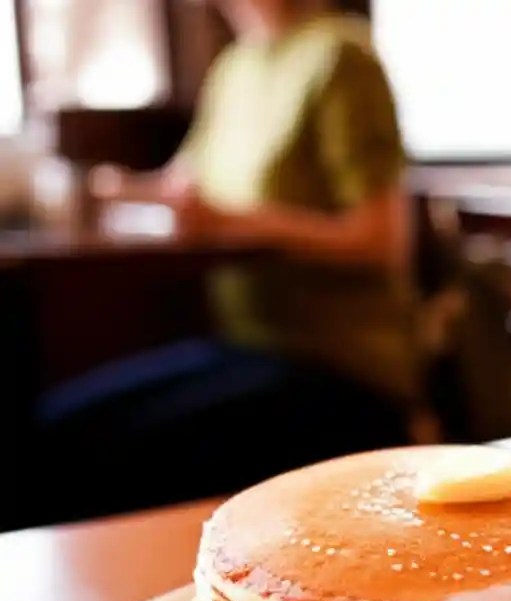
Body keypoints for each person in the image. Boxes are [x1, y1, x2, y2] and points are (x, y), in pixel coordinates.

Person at [36, 0, 415, 520]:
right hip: (245, 342)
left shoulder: (340, 57)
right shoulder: (235, 67)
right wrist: (112, 189)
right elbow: (183, 189)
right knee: (60, 423)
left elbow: (382, 241)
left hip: (338, 361)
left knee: (102, 452)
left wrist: (239, 221)